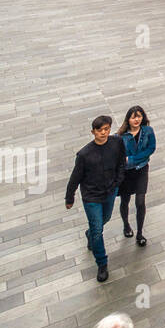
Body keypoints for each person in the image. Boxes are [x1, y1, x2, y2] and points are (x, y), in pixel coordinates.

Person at [65, 115, 127, 283]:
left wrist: (117, 181)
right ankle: (102, 263)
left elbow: (122, 162)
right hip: (91, 196)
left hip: (110, 192)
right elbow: (75, 178)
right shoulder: (84, 155)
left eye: (106, 129)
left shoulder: (116, 143)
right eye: (100, 130)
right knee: (98, 230)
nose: (104, 133)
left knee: (103, 220)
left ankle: (89, 234)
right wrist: (69, 197)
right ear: (93, 132)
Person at [117, 106, 155, 247]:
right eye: (134, 117)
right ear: (128, 119)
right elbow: (120, 156)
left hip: (141, 170)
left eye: (139, 116)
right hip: (127, 173)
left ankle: (139, 233)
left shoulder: (148, 131)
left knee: (140, 202)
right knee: (125, 201)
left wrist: (133, 159)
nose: (137, 119)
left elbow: (151, 149)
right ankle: (126, 225)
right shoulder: (121, 136)